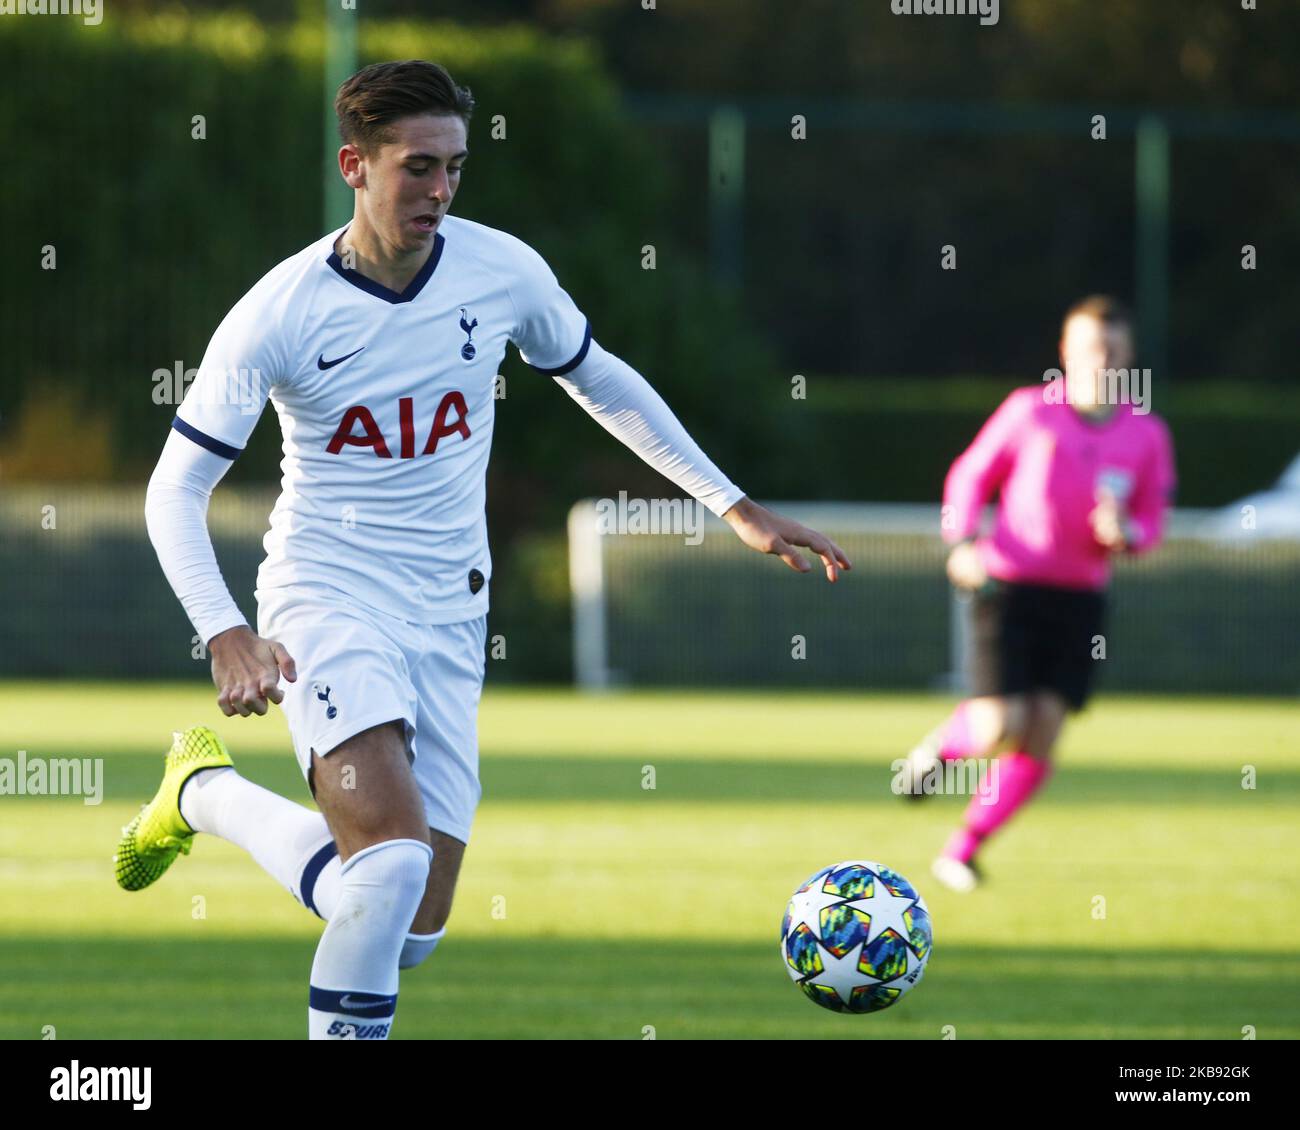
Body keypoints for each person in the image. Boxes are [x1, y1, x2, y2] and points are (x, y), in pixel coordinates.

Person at [118, 59, 851, 1039]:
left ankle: (201, 792)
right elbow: (175, 487)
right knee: (386, 866)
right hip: (325, 598)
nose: (439, 191)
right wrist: (224, 631)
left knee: (406, 922)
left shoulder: (499, 270)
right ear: (356, 164)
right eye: (418, 168)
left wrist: (733, 504)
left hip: (451, 617)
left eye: (455, 168)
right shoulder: (280, 311)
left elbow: (601, 377)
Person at [900, 296, 1175, 894]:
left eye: (1112, 350)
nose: (1100, 360)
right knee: (1002, 721)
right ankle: (940, 754)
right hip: (1009, 587)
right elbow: (969, 475)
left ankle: (963, 849)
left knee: (1045, 730)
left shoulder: (1146, 434)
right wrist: (964, 539)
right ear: (1065, 353)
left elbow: (1152, 522)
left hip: (1079, 602)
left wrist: (1126, 534)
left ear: (1129, 358)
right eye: (1088, 348)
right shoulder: (1030, 412)